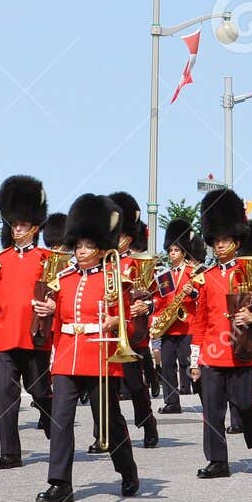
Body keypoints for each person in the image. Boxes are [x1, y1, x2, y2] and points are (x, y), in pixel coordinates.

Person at [30, 193, 140, 502]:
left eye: (88, 246)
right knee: (61, 420)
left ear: (102, 248)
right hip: (67, 355)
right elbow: (62, 316)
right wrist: (49, 311)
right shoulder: (63, 279)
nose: (81, 251)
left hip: (100, 354)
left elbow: (129, 324)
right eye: (78, 246)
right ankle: (60, 483)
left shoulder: (115, 279)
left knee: (109, 421)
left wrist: (115, 324)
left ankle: (127, 470)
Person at [186, 188, 252, 478]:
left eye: (225, 240)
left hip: (241, 350)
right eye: (217, 241)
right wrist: (195, 358)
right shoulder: (206, 277)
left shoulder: (251, 271)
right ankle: (218, 461)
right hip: (212, 352)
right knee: (212, 411)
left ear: (236, 241)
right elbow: (199, 320)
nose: (220, 246)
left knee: (244, 404)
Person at [0, 175, 55, 469]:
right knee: (5, 395)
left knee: (40, 392)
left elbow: (56, 293)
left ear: (35, 228)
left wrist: (51, 307)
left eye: (23, 225)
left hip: (34, 335)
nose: (17, 230)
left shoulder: (47, 258)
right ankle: (10, 453)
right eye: (14, 225)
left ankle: (57, 428)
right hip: (5, 336)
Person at [107, 192, 159, 450]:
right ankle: (104, 432)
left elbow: (157, 296)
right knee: (106, 387)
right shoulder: (103, 262)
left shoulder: (139, 262)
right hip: (108, 330)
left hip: (132, 331)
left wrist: (145, 306)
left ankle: (147, 422)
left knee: (136, 385)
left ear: (128, 236)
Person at [153, 218, 197, 415]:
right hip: (169, 325)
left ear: (184, 251)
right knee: (168, 364)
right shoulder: (164, 276)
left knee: (187, 361)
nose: (172, 254)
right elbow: (160, 301)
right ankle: (172, 401)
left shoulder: (193, 272)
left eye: (176, 250)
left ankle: (204, 396)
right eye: (170, 250)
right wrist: (154, 313)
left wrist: (193, 293)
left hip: (188, 324)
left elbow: (203, 296)